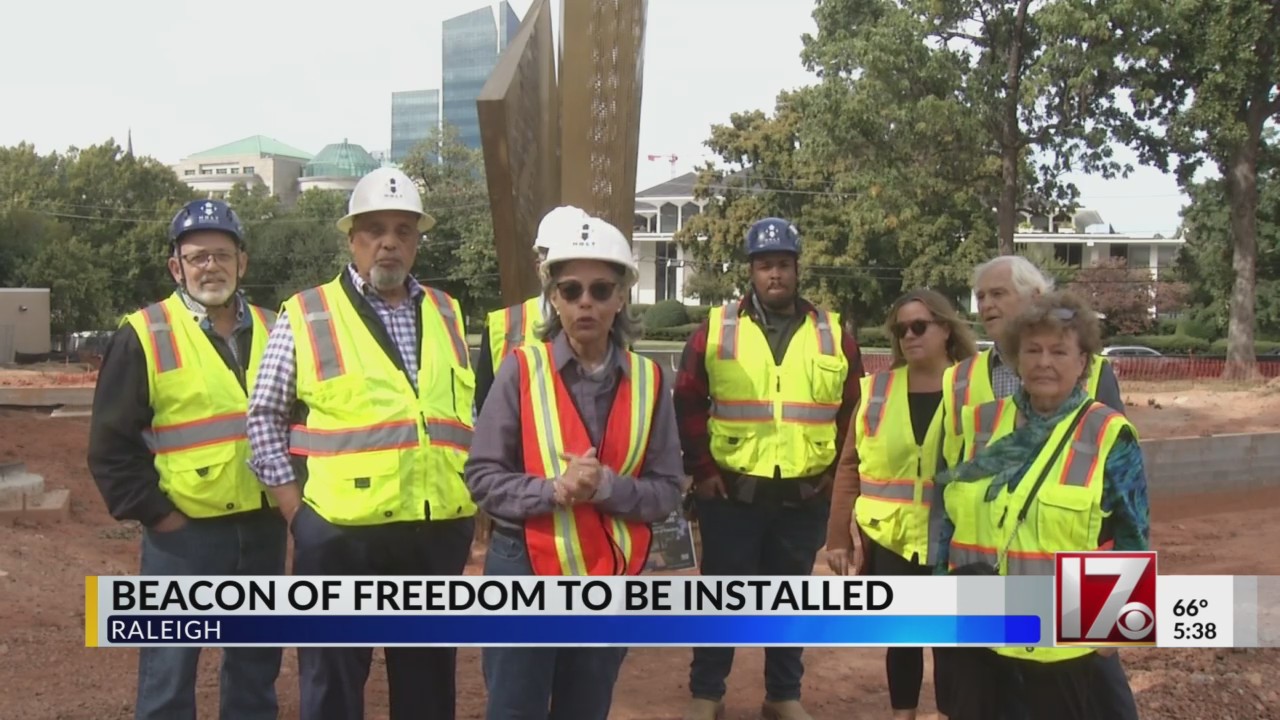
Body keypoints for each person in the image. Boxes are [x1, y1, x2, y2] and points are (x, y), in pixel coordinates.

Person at [245, 167, 476, 720]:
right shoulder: (308, 312)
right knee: (332, 686)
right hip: (340, 537)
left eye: (403, 230)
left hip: (433, 535)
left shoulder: (446, 311)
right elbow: (264, 419)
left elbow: (459, 417)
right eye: (374, 229)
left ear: (418, 241)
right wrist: (298, 516)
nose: (388, 242)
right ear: (352, 239)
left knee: (427, 688)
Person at [464, 211, 684, 720]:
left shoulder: (652, 383)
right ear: (555, 298)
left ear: (622, 296)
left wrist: (607, 486)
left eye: (601, 289)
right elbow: (482, 476)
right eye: (571, 289)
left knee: (586, 707)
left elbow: (667, 489)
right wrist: (553, 491)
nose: (586, 301)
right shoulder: (520, 369)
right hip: (523, 565)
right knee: (514, 707)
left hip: (610, 572)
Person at [87, 199, 284, 720]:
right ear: (176, 267)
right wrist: (160, 516)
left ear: (243, 262)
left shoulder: (277, 328)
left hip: (263, 528)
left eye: (221, 254)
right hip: (185, 536)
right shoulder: (144, 332)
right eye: (197, 257)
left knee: (255, 671)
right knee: (169, 676)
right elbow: (110, 445)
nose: (210, 267)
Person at [674, 217, 865, 720]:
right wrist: (702, 469)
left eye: (782, 264)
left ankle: (783, 695)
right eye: (764, 266)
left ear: (797, 268)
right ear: (751, 273)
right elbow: (688, 399)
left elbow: (854, 411)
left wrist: (831, 478)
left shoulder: (833, 333)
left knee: (790, 599)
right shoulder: (716, 330)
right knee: (719, 598)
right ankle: (707, 694)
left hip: (803, 497)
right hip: (731, 495)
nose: (774, 274)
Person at [935, 290, 1150, 720]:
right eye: (1032, 350)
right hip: (977, 622)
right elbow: (946, 517)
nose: (1044, 362)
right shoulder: (980, 423)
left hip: (1057, 635)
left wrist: (1113, 625)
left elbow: (1132, 530)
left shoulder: (1107, 434)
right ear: (1017, 359)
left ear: (1083, 362)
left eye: (1058, 350)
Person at [826, 289, 977, 720]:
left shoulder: (971, 388)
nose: (908, 336)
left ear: (946, 329)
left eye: (919, 326)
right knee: (904, 637)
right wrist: (838, 537)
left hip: (954, 538)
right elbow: (849, 466)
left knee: (950, 640)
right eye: (900, 329)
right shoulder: (875, 391)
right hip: (890, 538)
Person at [473, 204, 587, 413]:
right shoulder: (503, 326)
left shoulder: (614, 330)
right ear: (540, 268)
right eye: (558, 264)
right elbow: (484, 415)